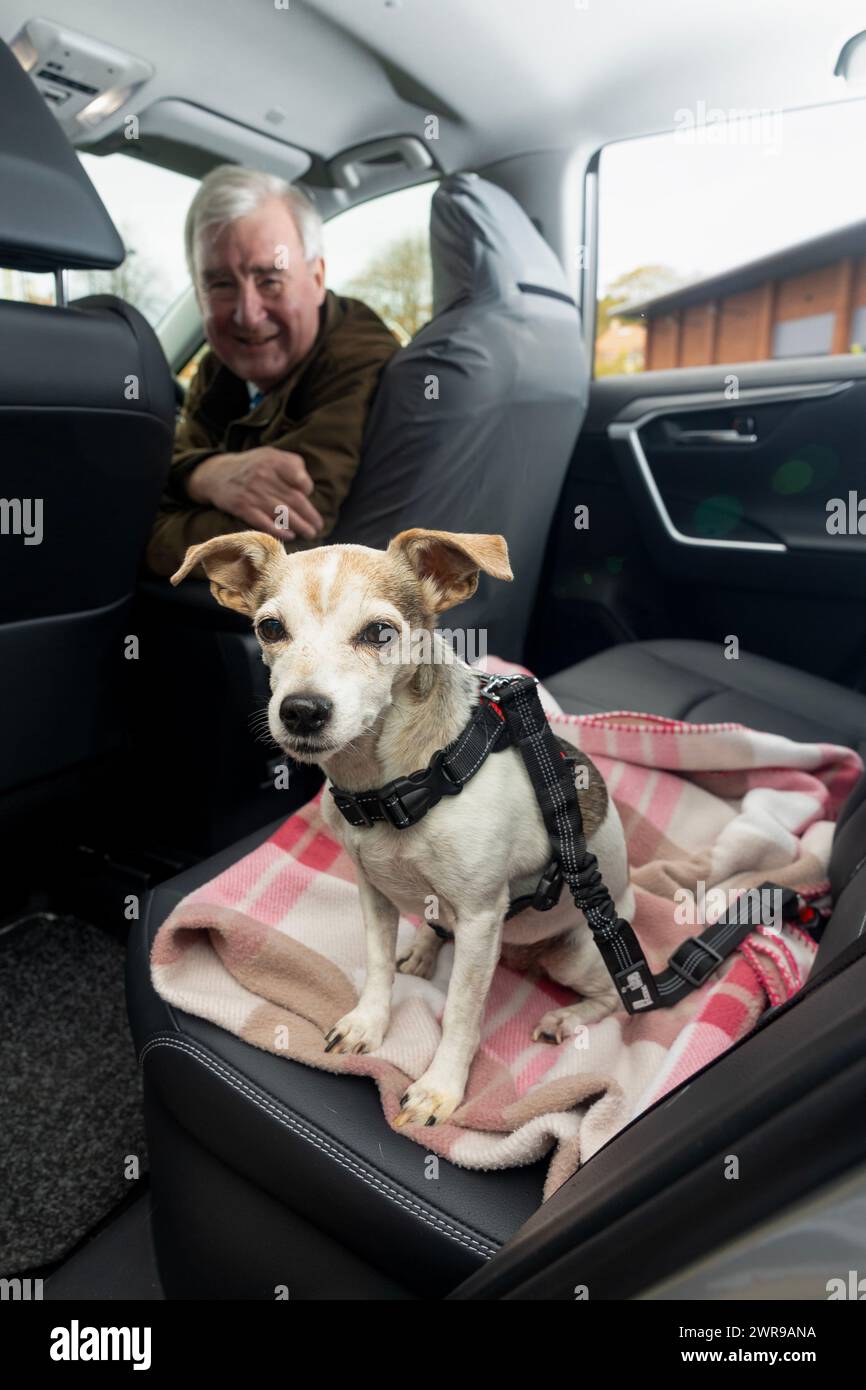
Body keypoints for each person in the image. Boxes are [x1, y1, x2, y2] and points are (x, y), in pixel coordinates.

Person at [145, 164, 400, 577]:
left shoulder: (358, 362)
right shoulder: (221, 367)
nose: (247, 315)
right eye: (221, 284)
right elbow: (162, 479)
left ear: (317, 278)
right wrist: (204, 475)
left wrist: (138, 533)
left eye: (269, 280)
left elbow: (285, 539)